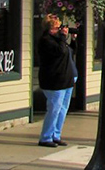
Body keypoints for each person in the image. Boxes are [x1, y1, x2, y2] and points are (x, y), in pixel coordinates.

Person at [37, 14, 75, 148]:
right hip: (54, 81)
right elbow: (60, 51)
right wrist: (63, 37)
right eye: (56, 28)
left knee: (63, 109)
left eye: (60, 27)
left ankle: (56, 135)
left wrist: (71, 39)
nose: (59, 30)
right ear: (49, 29)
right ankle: (46, 137)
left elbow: (69, 51)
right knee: (54, 109)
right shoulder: (46, 41)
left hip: (66, 79)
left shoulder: (59, 40)